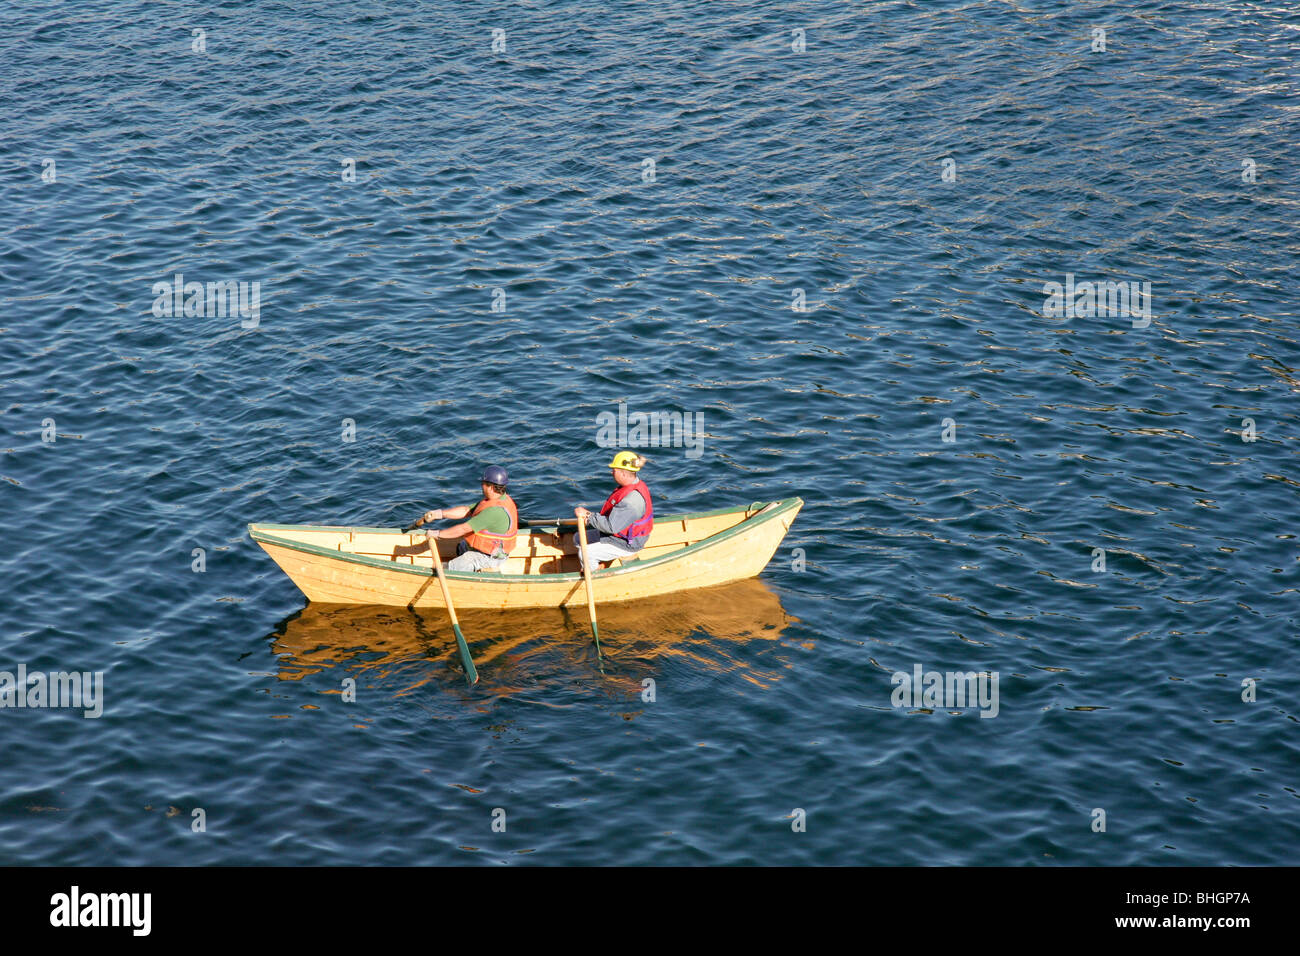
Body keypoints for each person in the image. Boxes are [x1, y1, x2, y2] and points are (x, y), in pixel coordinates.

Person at [412, 465, 518, 572]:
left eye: (483, 484)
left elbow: (463, 529)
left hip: (491, 557)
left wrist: (437, 534)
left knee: (459, 563)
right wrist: (438, 514)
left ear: (491, 487)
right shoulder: (495, 500)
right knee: (462, 545)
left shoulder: (494, 511)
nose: (481, 486)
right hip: (484, 549)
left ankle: (460, 571)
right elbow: (465, 510)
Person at [572, 451, 654, 570]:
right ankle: (598, 564)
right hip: (617, 534)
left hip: (627, 543)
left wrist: (589, 516)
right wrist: (591, 519)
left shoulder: (631, 502)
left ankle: (595, 574)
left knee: (585, 553)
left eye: (614, 470)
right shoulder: (631, 485)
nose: (611, 472)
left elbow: (611, 527)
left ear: (623, 474)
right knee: (577, 539)